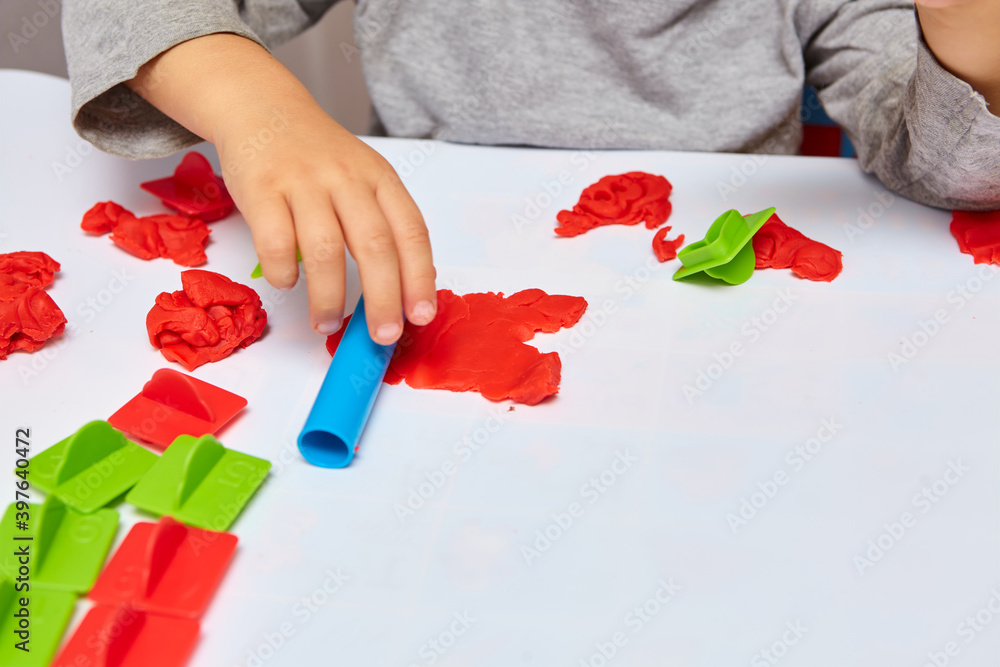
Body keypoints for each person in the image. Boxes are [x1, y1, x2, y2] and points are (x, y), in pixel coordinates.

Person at [62, 1, 1000, 344]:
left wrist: (972, 35)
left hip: (716, 323)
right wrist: (254, 107)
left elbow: (948, 159)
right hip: (430, 273)